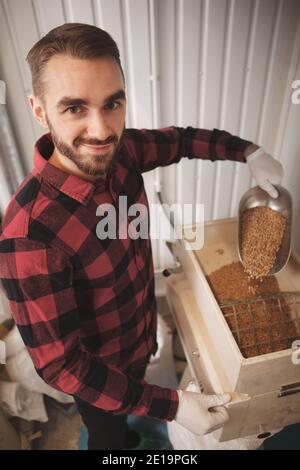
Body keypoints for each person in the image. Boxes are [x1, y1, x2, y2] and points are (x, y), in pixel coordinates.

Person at [0, 23, 283, 450]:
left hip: (140, 337)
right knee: (109, 438)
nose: (100, 130)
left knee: (134, 416)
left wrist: (249, 151)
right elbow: (62, 367)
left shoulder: (122, 152)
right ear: (39, 111)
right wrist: (172, 407)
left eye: (112, 103)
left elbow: (183, 140)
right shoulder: (29, 235)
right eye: (75, 108)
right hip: (99, 376)